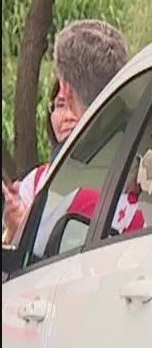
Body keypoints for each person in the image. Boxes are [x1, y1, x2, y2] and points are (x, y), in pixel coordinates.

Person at [3, 20, 130, 245]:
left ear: (66, 89)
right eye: (57, 106)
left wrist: (28, 229)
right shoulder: (135, 176)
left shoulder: (81, 191)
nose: (65, 118)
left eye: (65, 102)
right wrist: (13, 229)